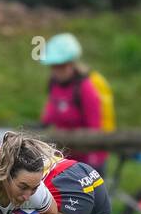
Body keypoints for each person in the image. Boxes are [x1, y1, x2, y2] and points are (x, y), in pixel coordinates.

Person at [40, 32, 115, 173]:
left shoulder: (85, 88)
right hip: (65, 154)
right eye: (53, 66)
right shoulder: (54, 84)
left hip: (88, 158)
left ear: (72, 64)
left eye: (61, 66)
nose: (57, 71)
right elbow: (51, 110)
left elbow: (95, 128)